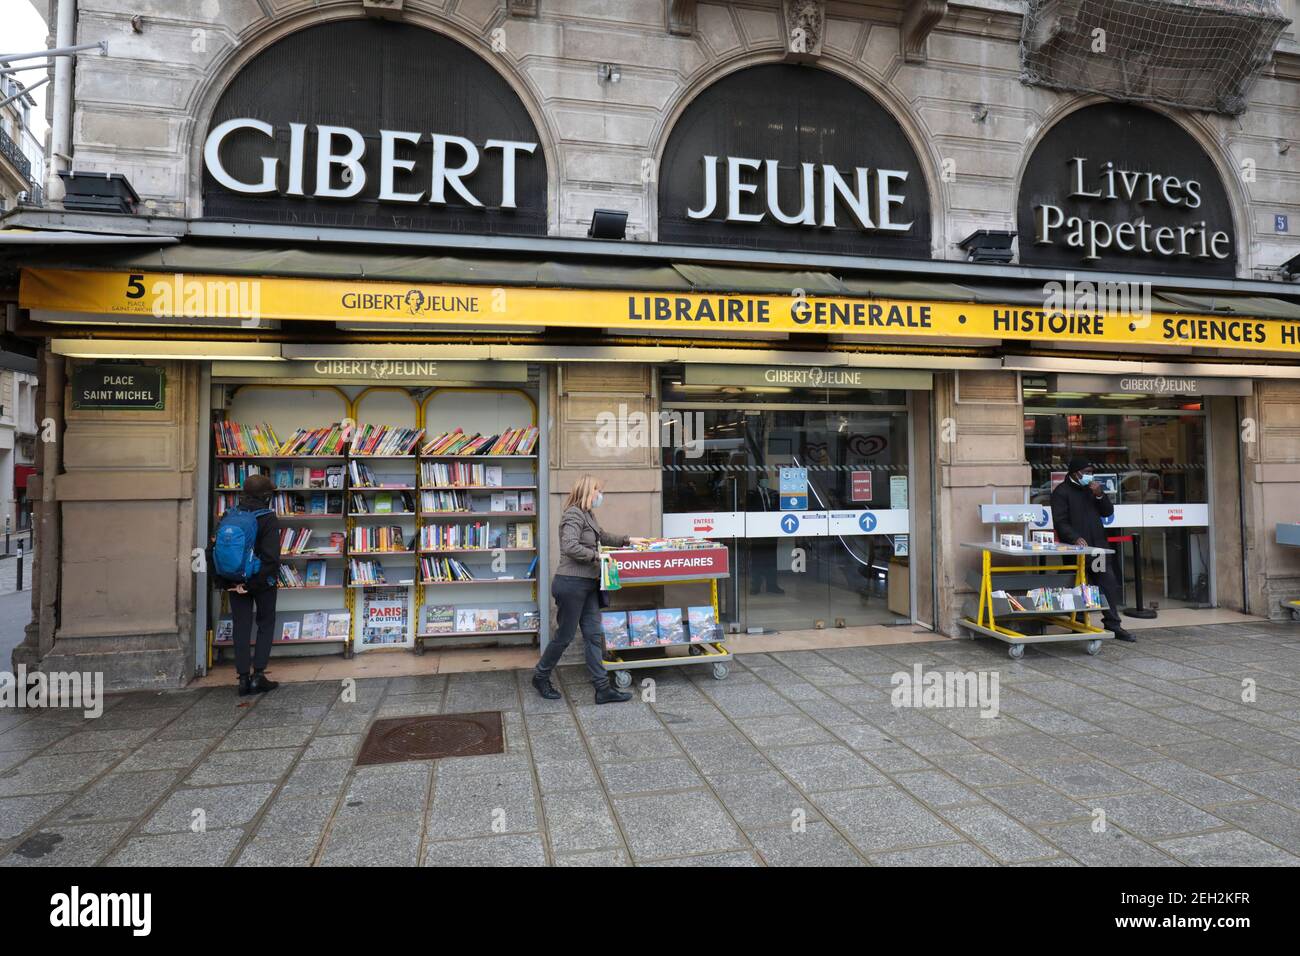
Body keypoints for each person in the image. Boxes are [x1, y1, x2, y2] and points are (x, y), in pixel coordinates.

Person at [532, 474, 647, 704]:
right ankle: (540, 676)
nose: (600, 495)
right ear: (587, 491)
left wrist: (628, 540)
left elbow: (602, 536)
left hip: (589, 585)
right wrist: (598, 557)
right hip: (571, 584)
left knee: (593, 635)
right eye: (597, 491)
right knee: (564, 636)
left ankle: (602, 689)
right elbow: (570, 546)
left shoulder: (588, 514)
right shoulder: (573, 514)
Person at [212, 473, 283, 695]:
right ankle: (258, 676)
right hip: (262, 583)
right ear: (265, 496)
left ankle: (242, 678)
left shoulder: (229, 515)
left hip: (234, 582)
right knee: (265, 623)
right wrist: (252, 585)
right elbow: (272, 559)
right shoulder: (268, 518)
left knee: (240, 627)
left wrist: (226, 583)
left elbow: (214, 552)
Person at [1050, 457, 1135, 643]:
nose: (1090, 476)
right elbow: (1060, 521)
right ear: (1075, 473)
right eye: (1086, 472)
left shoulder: (1092, 490)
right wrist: (1074, 538)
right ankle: (1079, 622)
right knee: (1080, 585)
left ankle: (1113, 624)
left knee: (1107, 583)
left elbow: (1107, 512)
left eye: (1091, 472)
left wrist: (1099, 495)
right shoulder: (1061, 492)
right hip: (1076, 549)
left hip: (1097, 547)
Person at [745, 475, 784, 595]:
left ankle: (772, 585)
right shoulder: (751, 494)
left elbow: (778, 510)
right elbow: (749, 511)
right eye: (763, 480)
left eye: (767, 480)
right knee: (757, 558)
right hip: (758, 531)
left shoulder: (774, 493)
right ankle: (756, 585)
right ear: (759, 481)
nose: (766, 482)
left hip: (771, 531)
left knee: (771, 558)